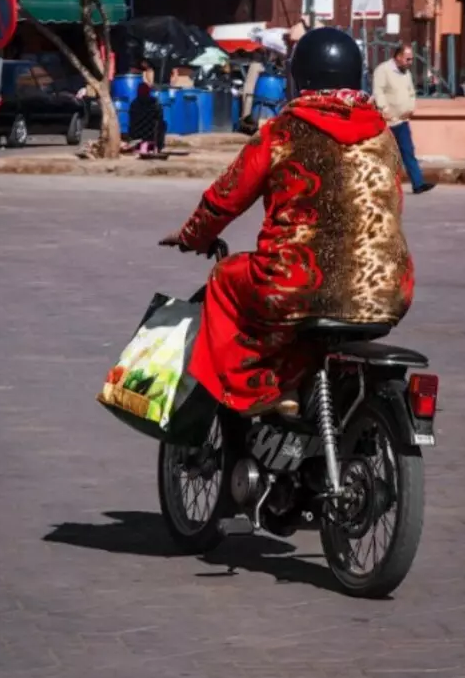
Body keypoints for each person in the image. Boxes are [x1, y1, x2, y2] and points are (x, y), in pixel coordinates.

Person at [160, 27, 414, 418]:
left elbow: (224, 199)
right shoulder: (382, 135)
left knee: (226, 279)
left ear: (300, 77)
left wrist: (192, 236)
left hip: (296, 284)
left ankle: (263, 393)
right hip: (387, 288)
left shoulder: (282, 132)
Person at [372, 44, 434, 195]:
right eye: (407, 59)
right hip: (387, 120)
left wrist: (411, 108)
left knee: (408, 151)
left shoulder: (406, 73)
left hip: (402, 120)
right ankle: (381, 187)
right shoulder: (383, 70)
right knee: (386, 155)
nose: (410, 62)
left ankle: (418, 183)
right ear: (398, 57)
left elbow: (411, 92)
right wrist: (384, 109)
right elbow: (378, 91)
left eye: (411, 59)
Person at [127, 82, 165, 152]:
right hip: (151, 134)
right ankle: (159, 145)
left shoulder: (134, 103)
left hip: (136, 134)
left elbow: (131, 119)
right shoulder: (154, 102)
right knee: (163, 124)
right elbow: (160, 117)